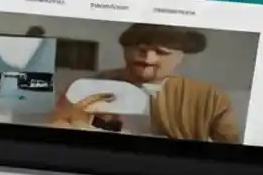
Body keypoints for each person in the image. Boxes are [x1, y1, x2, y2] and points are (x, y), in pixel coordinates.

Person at [49, 24, 241, 143]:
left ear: (180, 57)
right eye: (140, 50)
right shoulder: (89, 86)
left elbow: (230, 146)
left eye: (161, 52)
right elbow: (56, 126)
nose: (148, 58)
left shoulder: (209, 97)